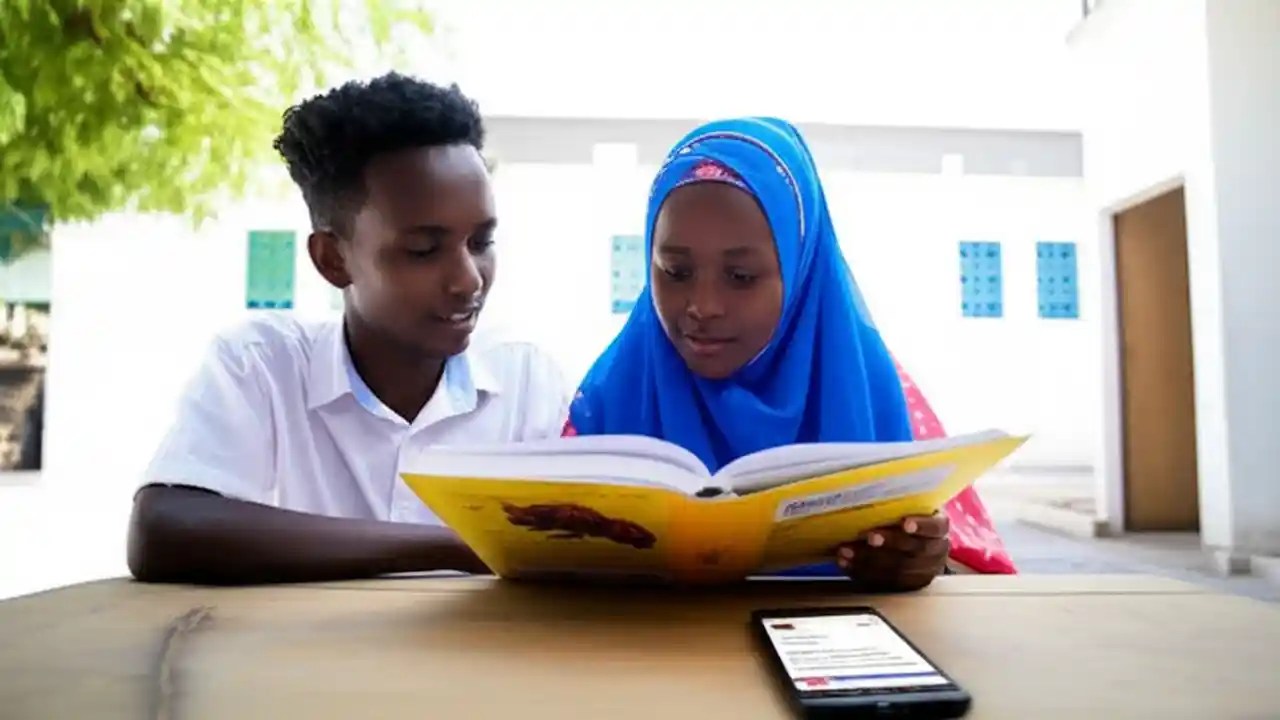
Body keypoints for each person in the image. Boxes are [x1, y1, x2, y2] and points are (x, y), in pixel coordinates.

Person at [127, 73, 571, 585]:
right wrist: (463, 542)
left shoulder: (526, 380)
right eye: (424, 250)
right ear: (333, 258)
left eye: (481, 242)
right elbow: (164, 530)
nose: (468, 280)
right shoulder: (262, 365)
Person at [564, 117, 1014, 591]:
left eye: (740, 277)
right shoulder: (610, 398)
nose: (702, 307)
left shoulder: (879, 392)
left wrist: (923, 562)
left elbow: (978, 569)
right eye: (675, 272)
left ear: (800, 276)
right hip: (642, 660)